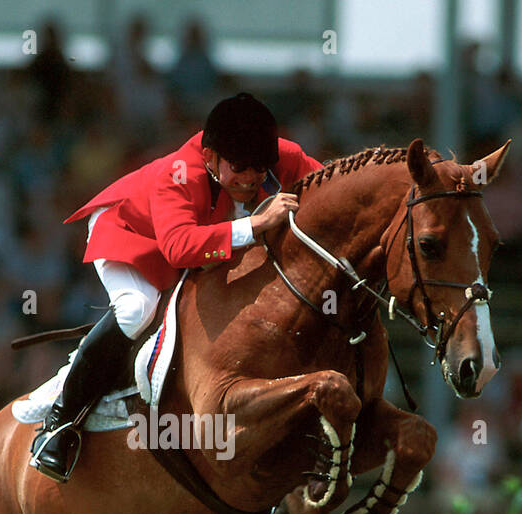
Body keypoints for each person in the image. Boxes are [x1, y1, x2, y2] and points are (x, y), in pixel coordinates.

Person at [30, 92, 322, 481]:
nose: (252, 179)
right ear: (210, 155)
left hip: (198, 240)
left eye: (260, 168)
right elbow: (179, 248)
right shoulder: (178, 173)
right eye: (240, 168)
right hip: (129, 231)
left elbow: (331, 190)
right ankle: (59, 424)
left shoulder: (279, 156)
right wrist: (254, 225)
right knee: (137, 310)